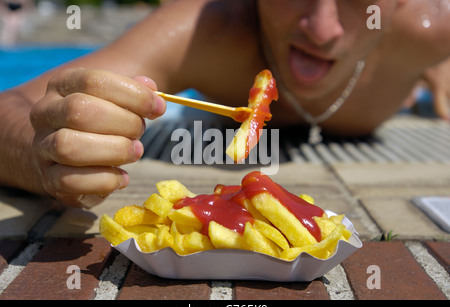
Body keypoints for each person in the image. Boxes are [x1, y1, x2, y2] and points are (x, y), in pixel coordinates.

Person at [0, 0, 449, 208]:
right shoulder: (204, 30)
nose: (322, 29)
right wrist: (42, 154)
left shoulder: (430, 31)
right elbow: (16, 104)